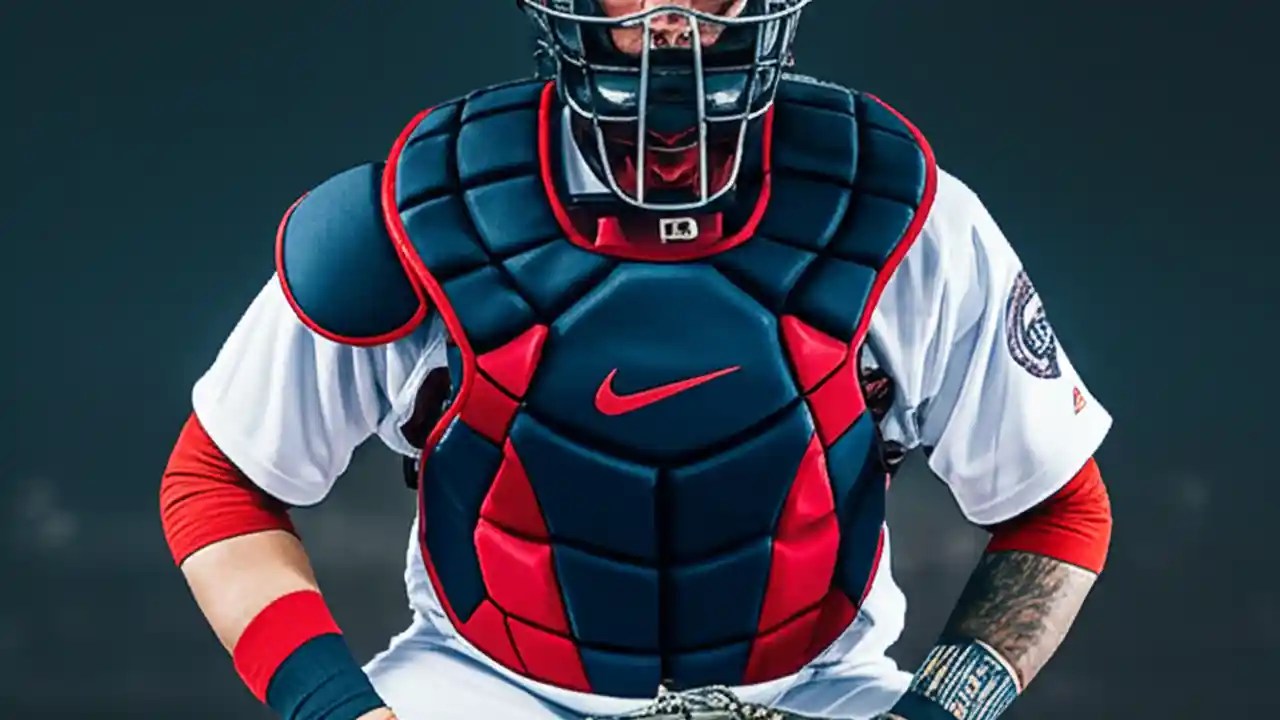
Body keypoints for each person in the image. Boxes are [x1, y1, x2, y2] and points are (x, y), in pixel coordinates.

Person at [158, 2, 1114, 719]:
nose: (667, 23)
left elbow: (1060, 508)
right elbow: (217, 483)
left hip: (821, 692)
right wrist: (336, 709)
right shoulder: (423, 212)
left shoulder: (910, 221)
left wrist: (939, 713)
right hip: (482, 689)